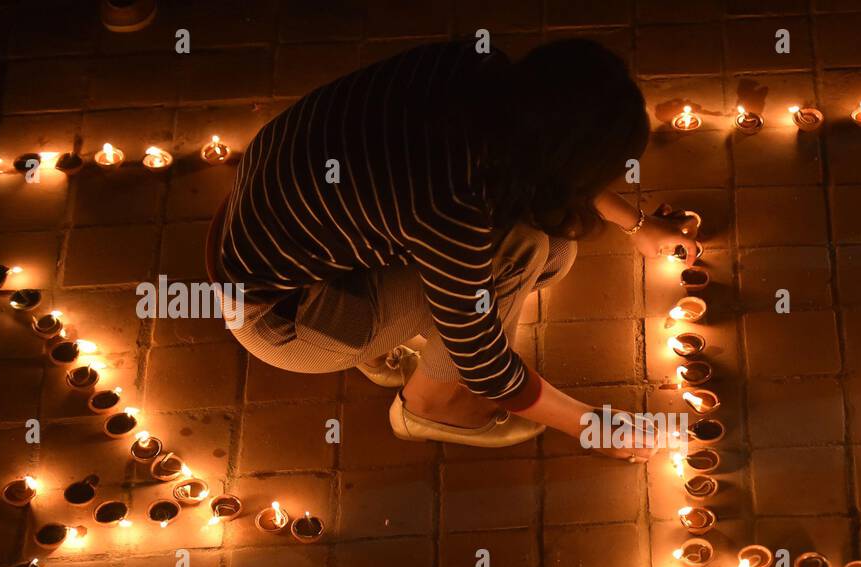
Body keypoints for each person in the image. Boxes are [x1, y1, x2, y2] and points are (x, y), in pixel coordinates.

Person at [206, 38, 691, 458]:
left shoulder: (470, 66)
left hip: (268, 228)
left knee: (555, 248)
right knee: (523, 250)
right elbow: (485, 364)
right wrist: (597, 427)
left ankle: (382, 348)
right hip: (283, 318)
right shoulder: (447, 201)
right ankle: (429, 409)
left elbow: (547, 159)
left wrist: (637, 224)